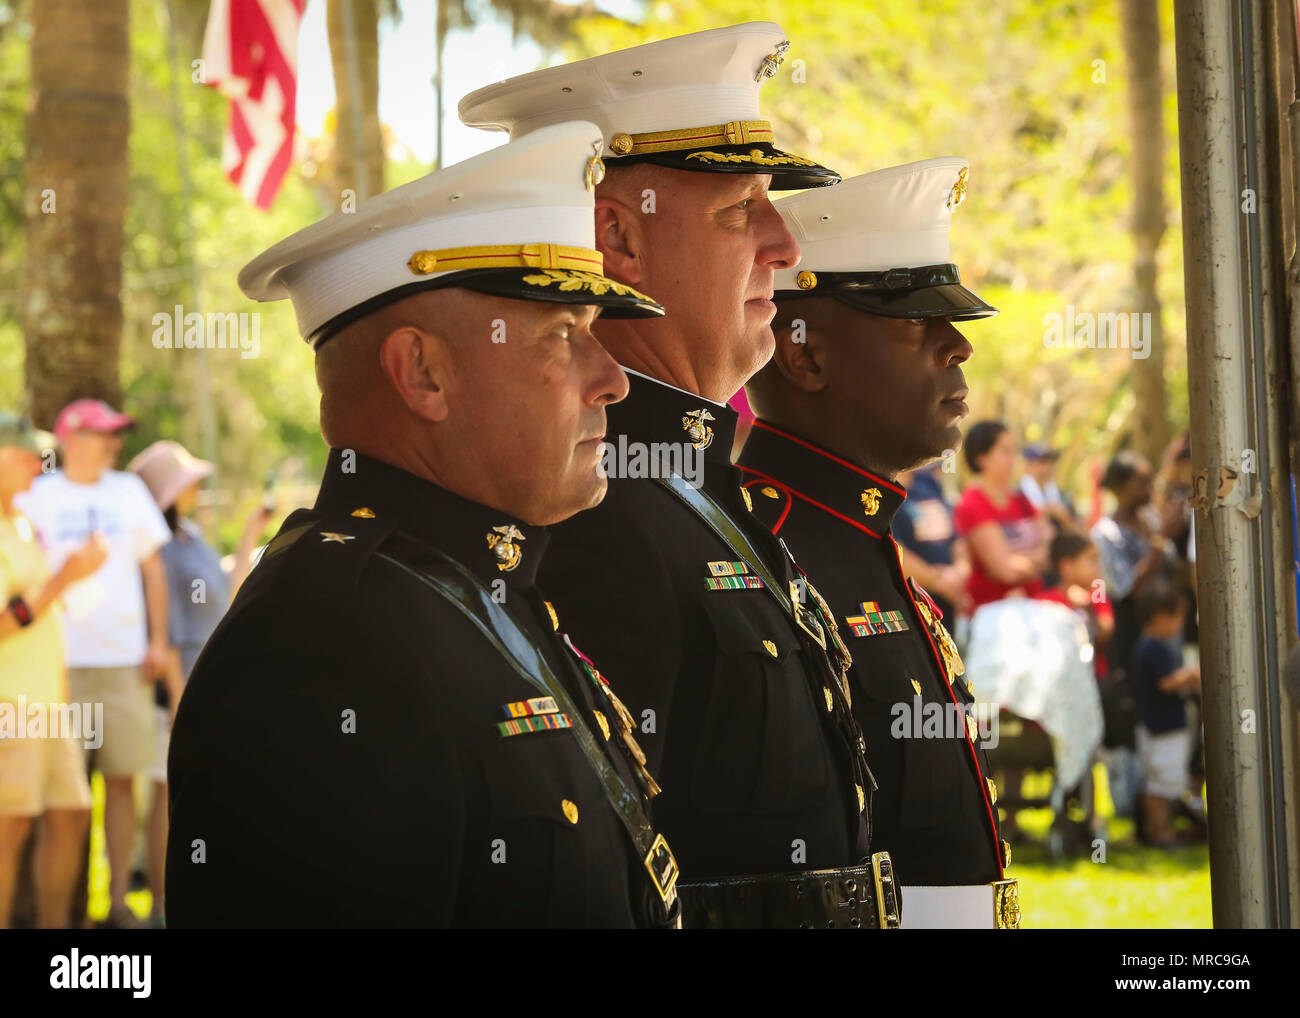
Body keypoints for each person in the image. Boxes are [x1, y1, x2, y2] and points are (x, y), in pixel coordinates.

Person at [167, 122, 681, 928]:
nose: (612, 379)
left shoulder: (481, 591)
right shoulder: (324, 640)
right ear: (423, 374)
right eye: (562, 336)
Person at [459, 23, 899, 930]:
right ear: (614, 239)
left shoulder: (696, 487)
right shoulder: (593, 504)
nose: (786, 245)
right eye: (743, 209)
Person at [739, 160, 1018, 928]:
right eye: (912, 321)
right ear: (805, 355)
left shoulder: (862, 540)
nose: (957, 345)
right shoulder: (759, 553)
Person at [15, 398, 171, 928]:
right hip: (55, 671)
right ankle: (56, 920)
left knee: (122, 783)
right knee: (57, 806)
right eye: (103, 434)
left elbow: (154, 571)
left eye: (115, 435)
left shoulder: (128, 492)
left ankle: (119, 907)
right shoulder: (36, 494)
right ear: (71, 438)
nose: (113, 444)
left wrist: (157, 640)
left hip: (125, 663)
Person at [0, 413, 104, 928]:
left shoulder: (20, 524)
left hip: (48, 705)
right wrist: (63, 579)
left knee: (72, 814)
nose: (36, 467)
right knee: (8, 830)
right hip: (10, 706)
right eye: (23, 456)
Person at [126, 440, 230, 928]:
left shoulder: (192, 536)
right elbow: (163, 627)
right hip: (177, 682)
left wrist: (253, 532)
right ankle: (165, 909)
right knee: (168, 792)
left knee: (197, 791)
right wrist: (179, 698)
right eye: (186, 481)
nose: (196, 487)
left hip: (205, 673)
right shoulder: (159, 548)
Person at [1129, 584, 1200, 847]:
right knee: (1160, 784)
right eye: (1179, 617)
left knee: (1161, 782)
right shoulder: (1153, 648)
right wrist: (1190, 674)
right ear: (1160, 618)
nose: (1181, 624)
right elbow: (1165, 683)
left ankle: (1159, 829)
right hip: (1161, 729)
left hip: (1159, 727)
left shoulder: (1153, 646)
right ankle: (1159, 831)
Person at [954, 421, 1050, 610]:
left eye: (1015, 451)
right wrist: (1042, 558)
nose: (1013, 459)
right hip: (994, 614)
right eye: (1005, 451)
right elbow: (1005, 570)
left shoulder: (1022, 499)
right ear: (981, 457)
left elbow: (1051, 542)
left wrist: (1023, 560)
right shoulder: (972, 503)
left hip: (1033, 606)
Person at [894, 462, 970, 622]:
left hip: (947, 602)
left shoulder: (928, 482)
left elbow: (956, 538)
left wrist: (960, 573)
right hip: (911, 606)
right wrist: (940, 582)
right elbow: (894, 550)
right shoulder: (883, 488)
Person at [1034, 533, 1114, 681]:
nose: (1097, 568)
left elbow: (1105, 631)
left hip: (1095, 677)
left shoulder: (1097, 589)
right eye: (1091, 561)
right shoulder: (1044, 601)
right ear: (1067, 566)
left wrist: (1087, 607)